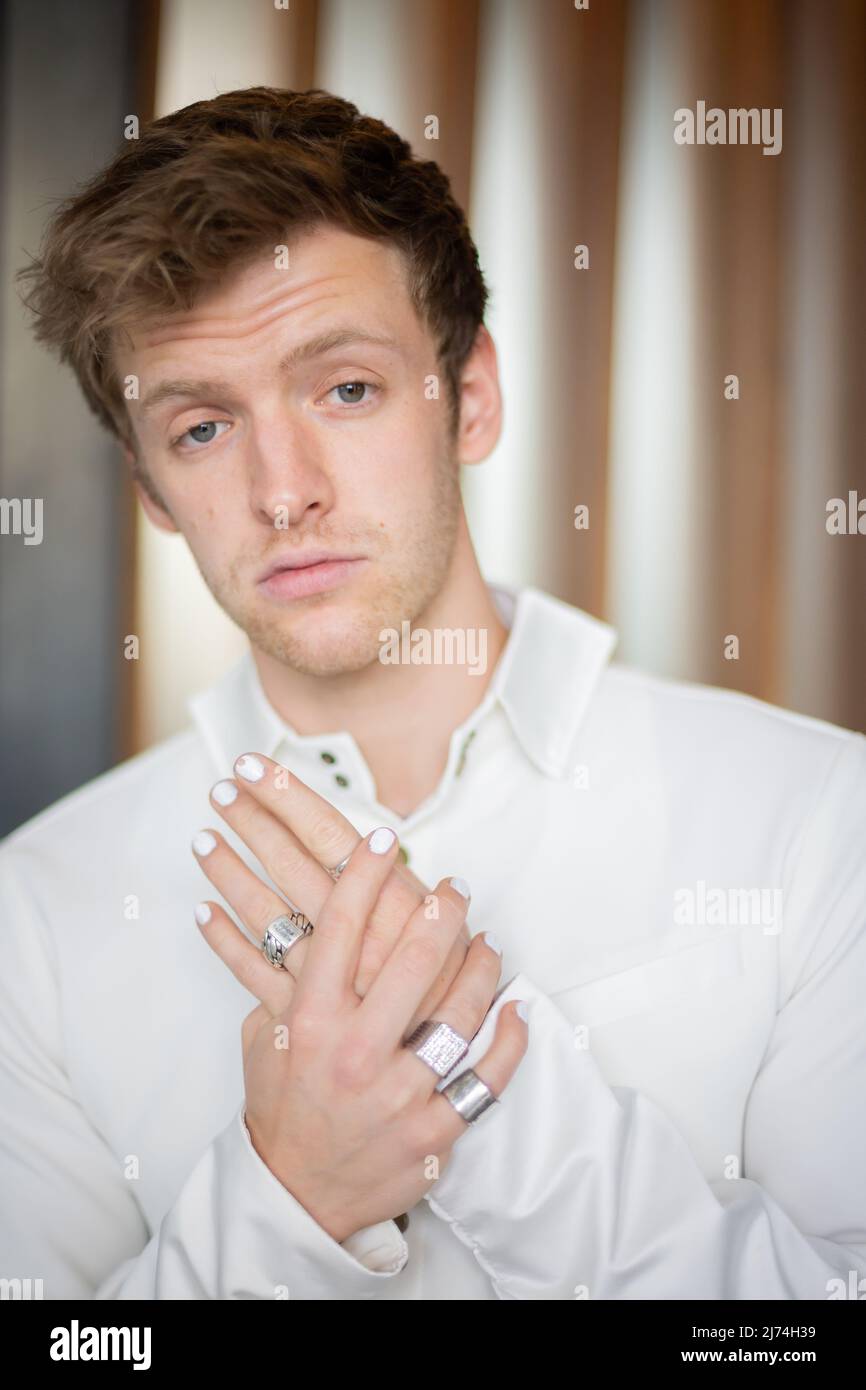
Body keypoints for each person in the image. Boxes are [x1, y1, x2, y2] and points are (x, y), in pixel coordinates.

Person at [1, 86, 864, 1301]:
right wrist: (286, 1202)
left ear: (469, 397)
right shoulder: (31, 923)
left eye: (344, 388)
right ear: (148, 489)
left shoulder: (818, 819)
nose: (282, 489)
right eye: (202, 427)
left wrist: (476, 1091)